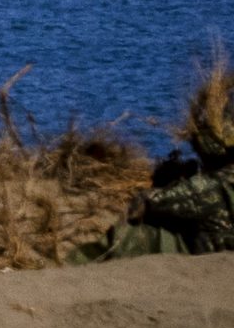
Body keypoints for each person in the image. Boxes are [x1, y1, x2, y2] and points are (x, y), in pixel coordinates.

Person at [70, 78, 234, 262]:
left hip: (208, 261)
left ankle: (77, 262)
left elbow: (146, 204)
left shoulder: (211, 187)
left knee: (139, 234)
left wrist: (167, 184)